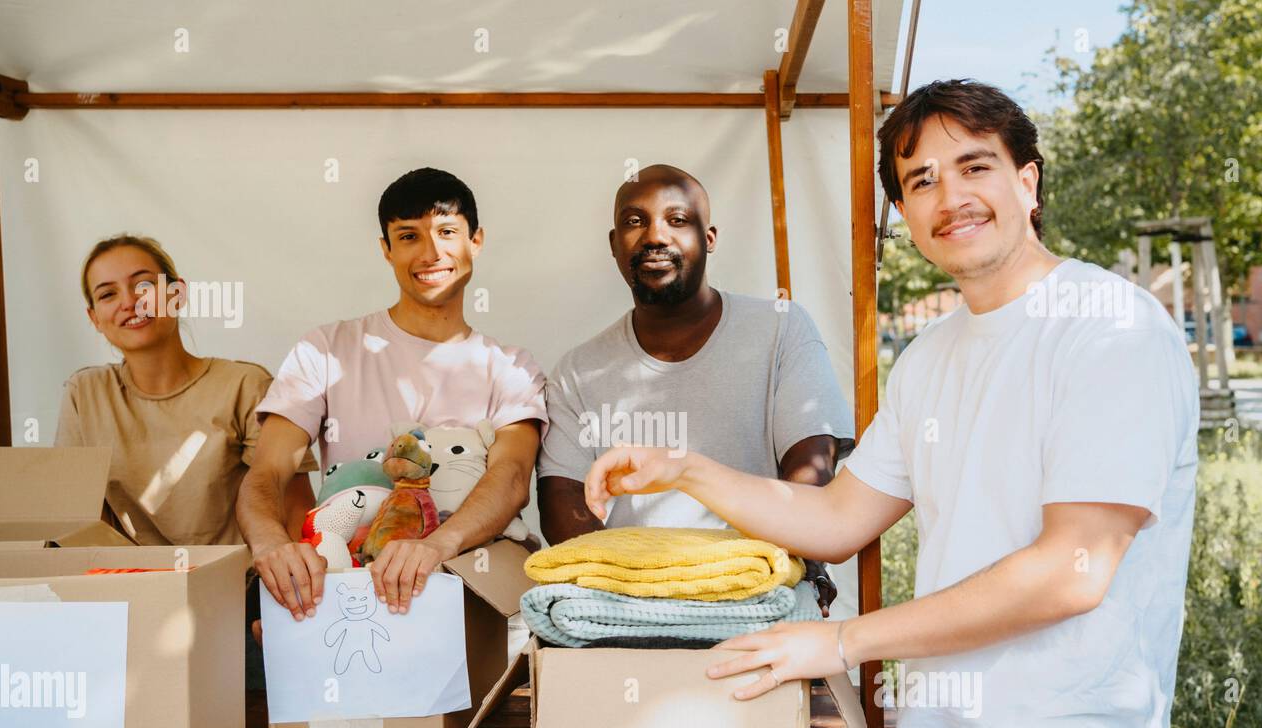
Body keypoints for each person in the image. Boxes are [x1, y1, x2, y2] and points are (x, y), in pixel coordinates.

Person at [582, 80, 1199, 728]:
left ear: (1028, 181)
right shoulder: (931, 358)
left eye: (975, 167)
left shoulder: (1110, 329)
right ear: (904, 216)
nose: (951, 196)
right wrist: (686, 469)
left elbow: (1068, 575)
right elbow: (838, 518)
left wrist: (839, 641)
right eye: (921, 181)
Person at [536, 164, 854, 614]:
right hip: (629, 604)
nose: (654, 236)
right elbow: (561, 506)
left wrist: (723, 577)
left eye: (677, 220)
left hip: (754, 590)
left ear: (709, 238)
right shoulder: (578, 371)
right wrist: (646, 586)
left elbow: (810, 477)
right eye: (634, 221)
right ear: (613, 245)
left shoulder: (781, 329)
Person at [239, 168, 547, 622]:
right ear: (386, 249)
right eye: (408, 236)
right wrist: (271, 547)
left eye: (447, 232)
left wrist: (435, 545)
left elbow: (514, 476)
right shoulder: (325, 350)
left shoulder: (511, 367)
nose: (431, 252)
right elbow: (266, 473)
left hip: (472, 601)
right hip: (350, 600)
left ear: (475, 241)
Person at [56, 234, 316, 548]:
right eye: (108, 294)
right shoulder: (84, 394)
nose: (128, 302)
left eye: (144, 285)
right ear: (94, 318)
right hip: (130, 587)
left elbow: (295, 515)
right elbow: (76, 523)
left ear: (177, 293)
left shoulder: (246, 385)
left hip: (239, 586)